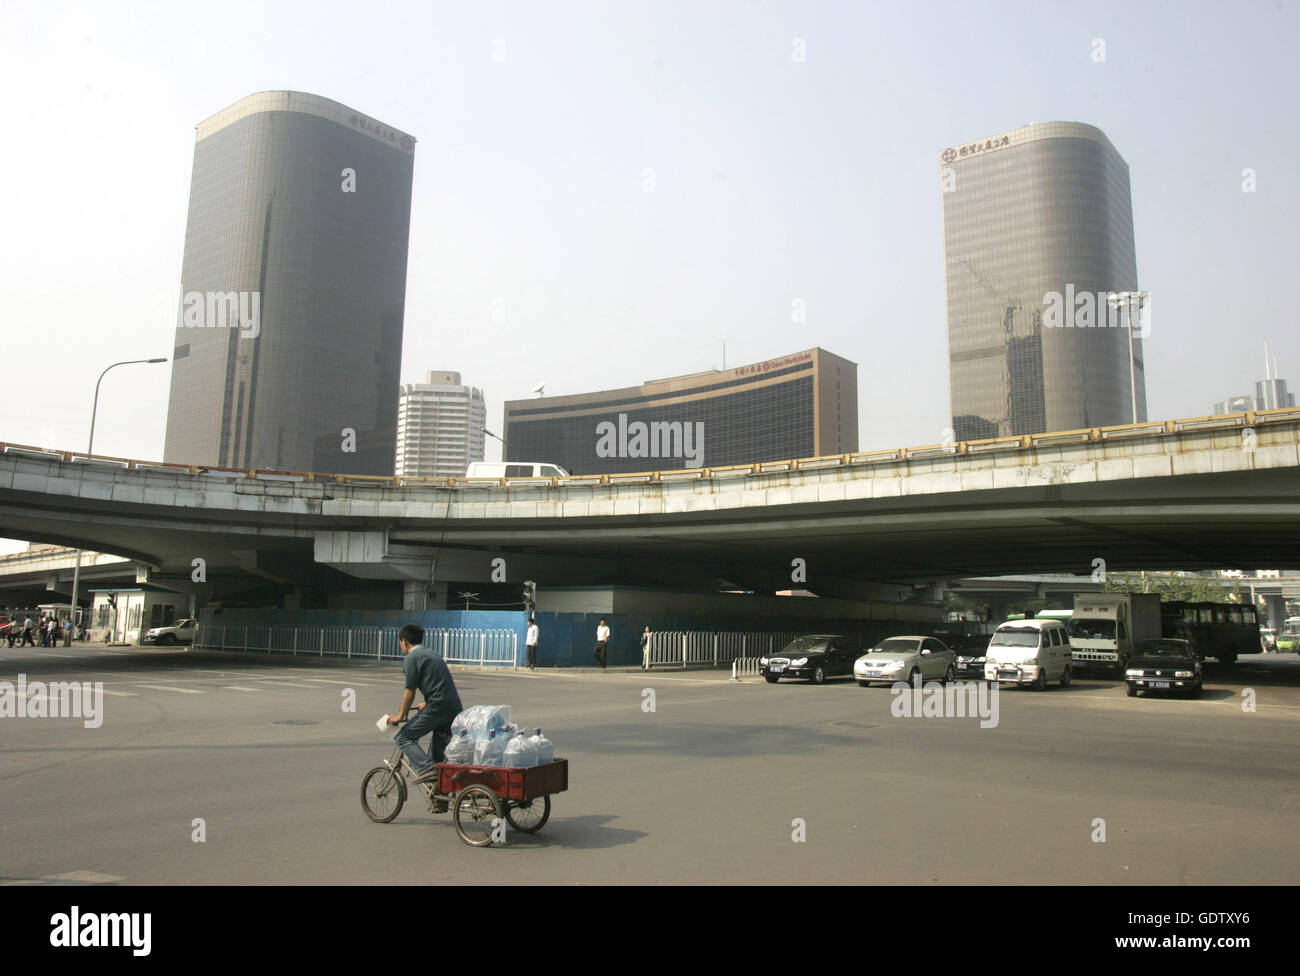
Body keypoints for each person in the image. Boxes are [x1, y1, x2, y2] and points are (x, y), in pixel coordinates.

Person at [387, 623, 463, 792]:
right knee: (438, 756)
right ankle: (439, 796)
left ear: (404, 642)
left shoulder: (412, 658)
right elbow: (440, 684)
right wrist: (427, 702)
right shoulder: (432, 654)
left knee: (403, 738)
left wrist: (400, 716)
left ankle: (428, 770)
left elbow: (410, 691)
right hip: (452, 707)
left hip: (438, 707)